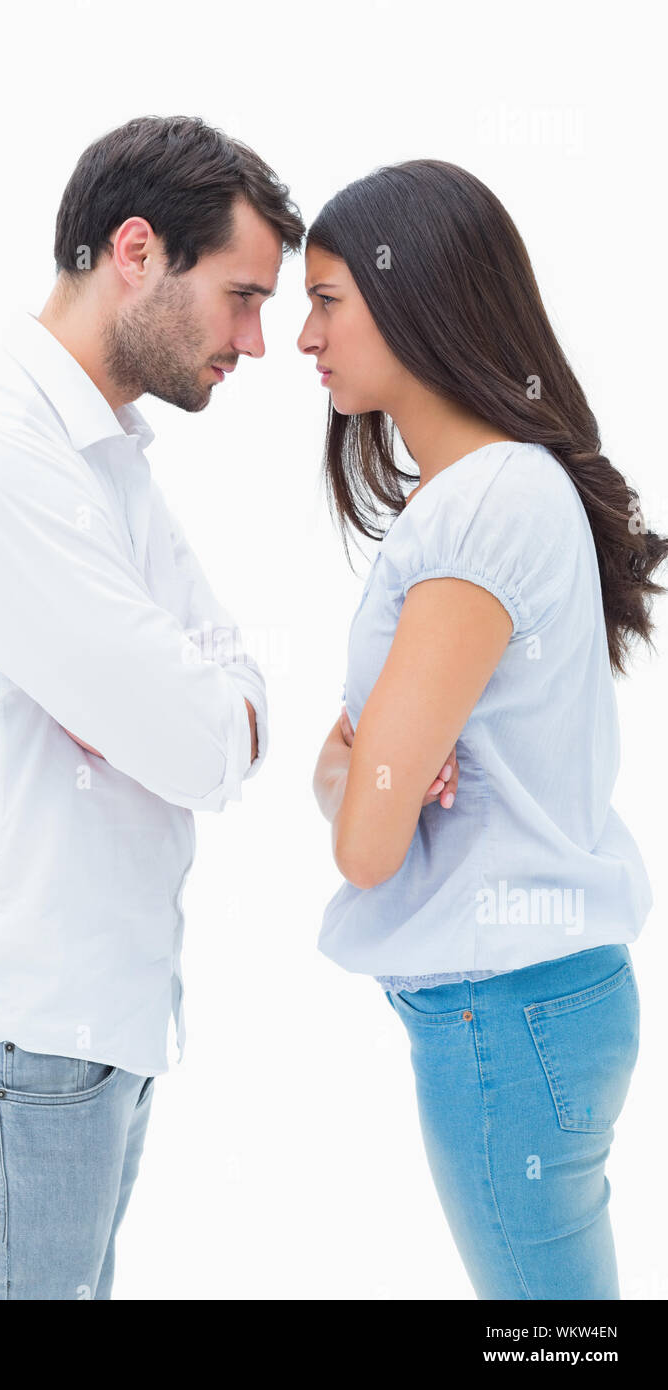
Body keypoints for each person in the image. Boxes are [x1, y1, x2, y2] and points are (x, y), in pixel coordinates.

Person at [0, 114, 304, 1299]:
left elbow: (235, 703)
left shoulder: (104, 456)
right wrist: (184, 710)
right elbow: (195, 734)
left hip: (85, 1035)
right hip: (18, 1035)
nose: (258, 342)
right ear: (135, 250)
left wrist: (185, 706)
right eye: (242, 296)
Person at [304, 158, 666, 1299]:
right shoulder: (498, 492)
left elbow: (366, 843)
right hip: (528, 998)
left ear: (411, 300)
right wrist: (351, 769)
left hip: (501, 1009)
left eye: (324, 301)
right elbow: (359, 785)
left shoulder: (482, 505)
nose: (303, 339)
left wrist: (350, 769)